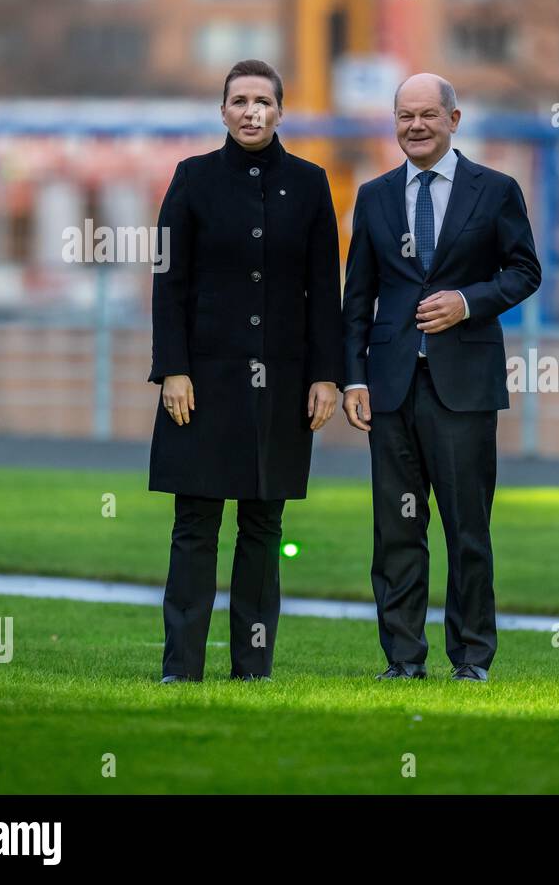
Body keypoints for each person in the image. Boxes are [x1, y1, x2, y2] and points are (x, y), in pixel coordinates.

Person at [341, 73, 541, 683]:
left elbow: (525, 271)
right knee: (396, 531)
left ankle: (472, 658)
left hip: (464, 387)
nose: (416, 126)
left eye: (428, 114)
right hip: (391, 387)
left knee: (467, 530)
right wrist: (353, 380)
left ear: (454, 120)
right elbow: (358, 299)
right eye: (405, 116)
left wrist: (468, 302)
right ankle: (403, 660)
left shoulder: (496, 190)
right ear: (394, 122)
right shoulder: (373, 196)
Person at [148, 59, 342, 682]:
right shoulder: (192, 179)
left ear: (281, 111)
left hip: (283, 385)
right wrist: (173, 370)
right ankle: (181, 666)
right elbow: (168, 282)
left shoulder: (311, 185)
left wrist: (326, 375)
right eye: (239, 101)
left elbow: (323, 289)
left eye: (263, 100)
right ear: (223, 111)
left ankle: (253, 666)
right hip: (202, 382)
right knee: (195, 523)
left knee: (264, 525)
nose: (251, 111)